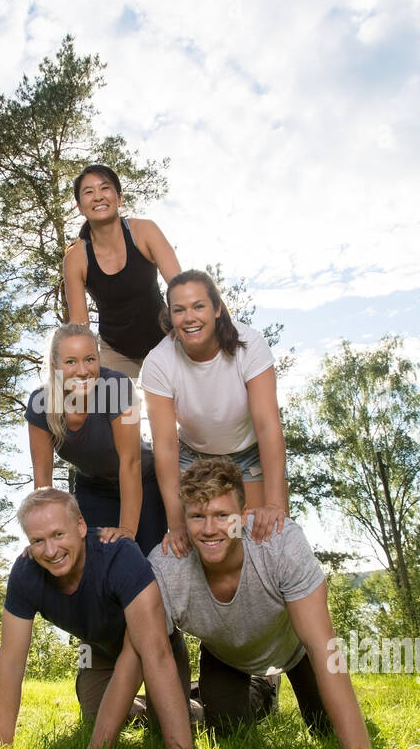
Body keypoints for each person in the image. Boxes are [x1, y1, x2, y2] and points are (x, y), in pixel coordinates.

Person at [95, 458, 400, 749]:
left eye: (222, 515)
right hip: (225, 656)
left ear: (243, 517)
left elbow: (323, 646)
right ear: (184, 520)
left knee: (323, 728)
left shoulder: (280, 544)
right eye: (198, 516)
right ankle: (249, 689)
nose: (210, 529)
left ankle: (271, 680)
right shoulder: (166, 566)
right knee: (227, 730)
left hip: (294, 652)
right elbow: (136, 653)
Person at [0, 488, 194, 749]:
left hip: (153, 647)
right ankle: (138, 704)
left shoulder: (119, 556)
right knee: (95, 716)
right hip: (100, 653)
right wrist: (1, 747)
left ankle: (191, 700)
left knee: (165, 726)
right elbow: (11, 661)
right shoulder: (26, 574)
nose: (50, 551)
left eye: (58, 535)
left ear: (80, 526)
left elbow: (155, 653)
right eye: (38, 540)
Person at [142, 268, 288, 557]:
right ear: (170, 317)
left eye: (199, 306)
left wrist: (274, 503)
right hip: (193, 458)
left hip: (248, 455)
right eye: (179, 310)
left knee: (261, 540)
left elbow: (267, 425)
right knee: (204, 546)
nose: (190, 317)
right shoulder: (159, 362)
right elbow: (166, 446)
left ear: (218, 308)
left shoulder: (250, 345)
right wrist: (175, 522)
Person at [26, 323, 166, 554]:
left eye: (90, 359)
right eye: (71, 362)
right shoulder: (40, 404)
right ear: (54, 366)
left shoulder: (118, 387)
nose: (83, 371)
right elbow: (43, 480)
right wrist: (41, 537)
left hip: (143, 480)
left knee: (144, 559)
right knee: (93, 559)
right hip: (93, 488)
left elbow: (130, 463)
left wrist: (128, 532)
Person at [63, 164, 181, 380]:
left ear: (119, 198)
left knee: (185, 405)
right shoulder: (75, 258)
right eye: (88, 192)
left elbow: (180, 286)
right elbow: (80, 324)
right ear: (80, 207)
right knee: (115, 409)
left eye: (104, 188)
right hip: (116, 350)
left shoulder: (144, 231)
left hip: (165, 337)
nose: (98, 197)